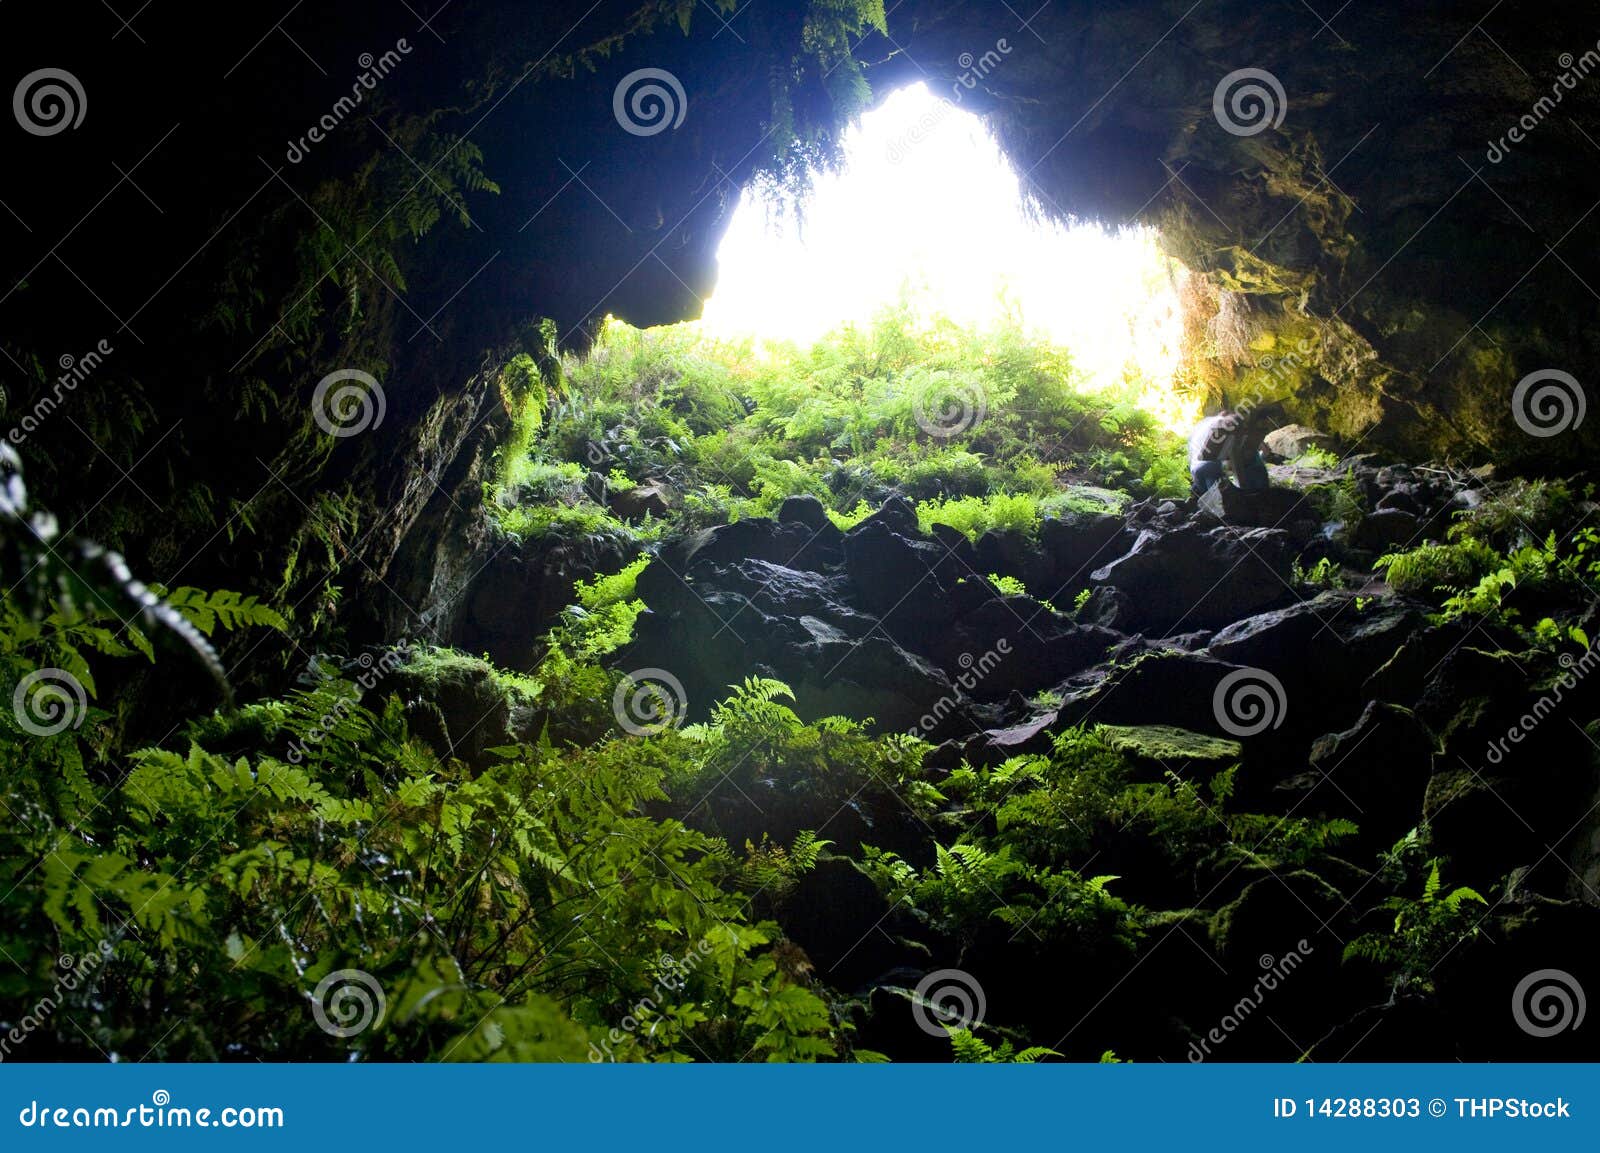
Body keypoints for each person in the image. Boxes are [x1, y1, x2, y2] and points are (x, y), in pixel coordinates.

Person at [1188, 405, 1281, 499]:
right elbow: (1230, 455)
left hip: (1197, 468)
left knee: (1215, 500)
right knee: (1220, 498)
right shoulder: (1228, 423)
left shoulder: (1206, 423)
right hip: (1209, 466)